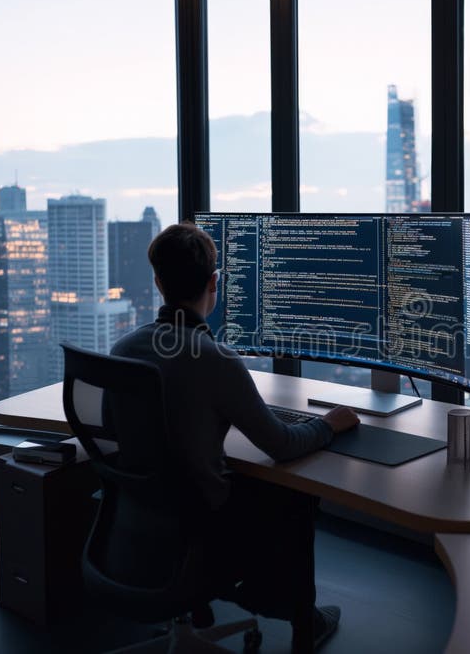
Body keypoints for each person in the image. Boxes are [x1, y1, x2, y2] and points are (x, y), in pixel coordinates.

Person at [110, 222, 359, 652]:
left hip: (138, 516)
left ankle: (203, 602)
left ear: (157, 282)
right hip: (202, 518)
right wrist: (326, 424)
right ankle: (303, 621)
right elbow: (281, 446)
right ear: (214, 282)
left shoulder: (124, 349)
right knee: (294, 497)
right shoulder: (216, 359)